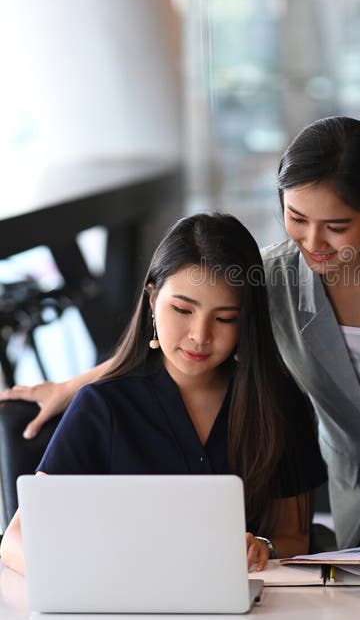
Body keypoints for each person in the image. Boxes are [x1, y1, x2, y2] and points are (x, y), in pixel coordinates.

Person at [1, 118, 360, 570]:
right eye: (296, 218)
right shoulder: (271, 277)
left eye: (336, 227)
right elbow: (171, 334)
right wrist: (73, 385)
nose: (312, 243)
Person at [0, 213, 326, 575]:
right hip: (123, 615)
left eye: (224, 318)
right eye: (183, 310)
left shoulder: (276, 402)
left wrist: (262, 548)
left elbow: (295, 537)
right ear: (153, 299)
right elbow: (16, 540)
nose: (200, 336)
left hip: (249, 613)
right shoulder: (103, 406)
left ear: (246, 320)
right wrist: (89, 579)